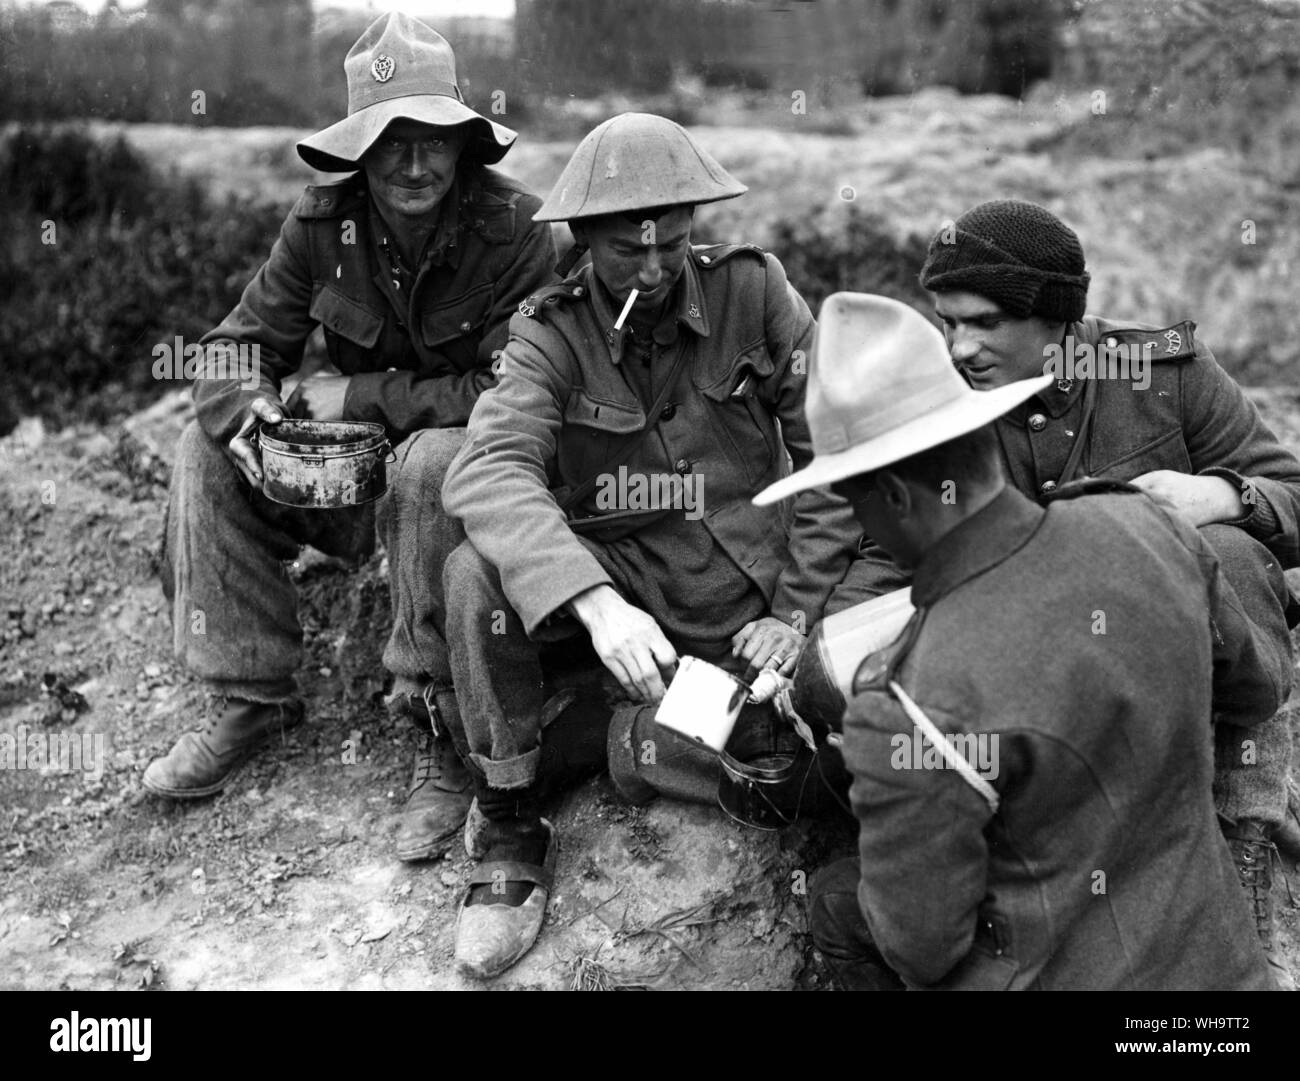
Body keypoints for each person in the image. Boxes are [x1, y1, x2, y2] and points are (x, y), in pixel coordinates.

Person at [799, 199, 1300, 988]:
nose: (962, 348)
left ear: (1061, 323)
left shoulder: (1161, 372)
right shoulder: (946, 410)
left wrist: (1224, 498)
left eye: (986, 322)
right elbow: (883, 559)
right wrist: (829, 653)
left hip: (1163, 653)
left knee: (1234, 556)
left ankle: (1247, 829)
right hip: (1069, 669)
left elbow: (1289, 499)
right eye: (947, 323)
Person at [434, 112, 859, 978]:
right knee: (474, 571)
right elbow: (487, 469)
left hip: (746, 590)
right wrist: (593, 604)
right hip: (623, 583)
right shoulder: (548, 332)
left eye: (673, 240)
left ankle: (608, 732)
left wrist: (796, 611)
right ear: (584, 240)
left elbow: (833, 453)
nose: (658, 267)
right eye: (631, 250)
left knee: (797, 778)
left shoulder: (756, 290)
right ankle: (511, 813)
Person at [142, 11, 556, 874]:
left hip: (471, 501)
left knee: (433, 460)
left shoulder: (517, 231)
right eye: (389, 142)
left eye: (432, 140)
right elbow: (231, 350)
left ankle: (443, 734)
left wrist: (357, 394)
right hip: (356, 494)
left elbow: (512, 394)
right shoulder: (321, 224)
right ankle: (251, 695)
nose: (413, 164)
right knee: (203, 446)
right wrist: (251, 409)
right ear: (359, 151)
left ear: (461, 142)